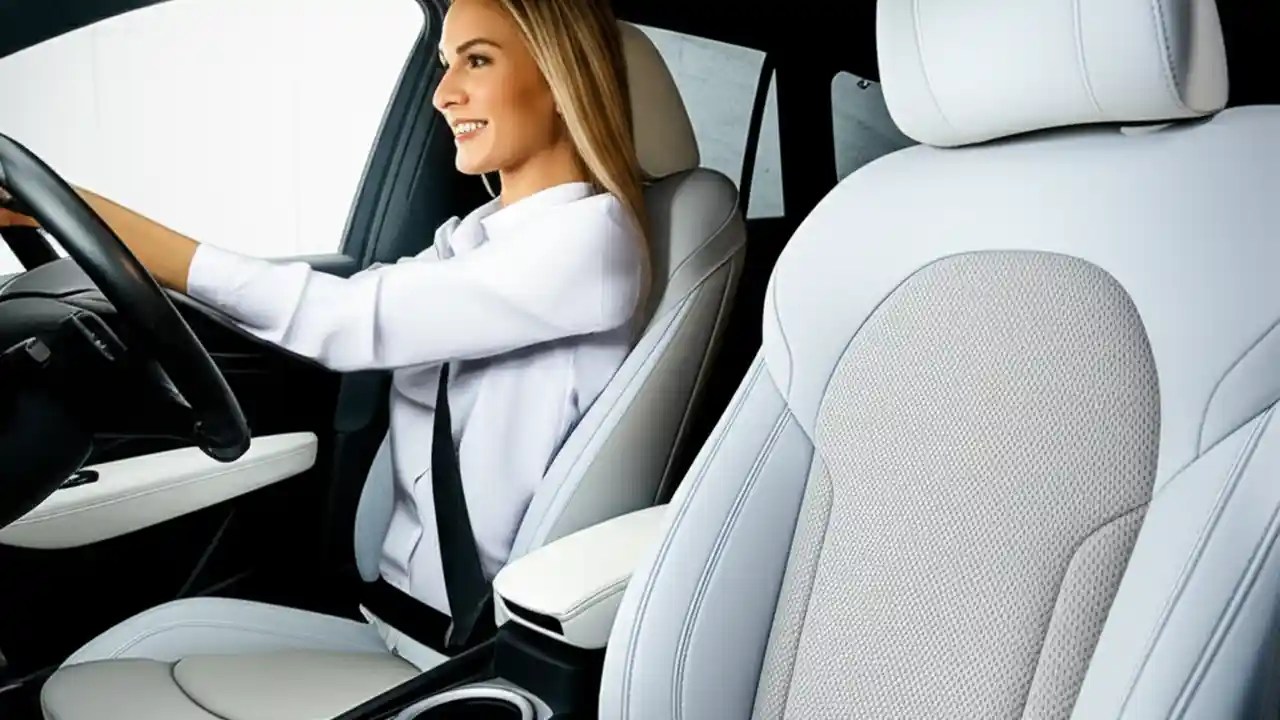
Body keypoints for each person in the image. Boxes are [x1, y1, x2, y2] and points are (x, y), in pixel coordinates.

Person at [0, 0, 647, 667]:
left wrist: (75, 208)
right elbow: (348, 303)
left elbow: (341, 322)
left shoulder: (586, 246)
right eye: (445, 63)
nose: (443, 94)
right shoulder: (481, 236)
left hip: (456, 648)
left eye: (476, 60)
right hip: (397, 619)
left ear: (565, 79)